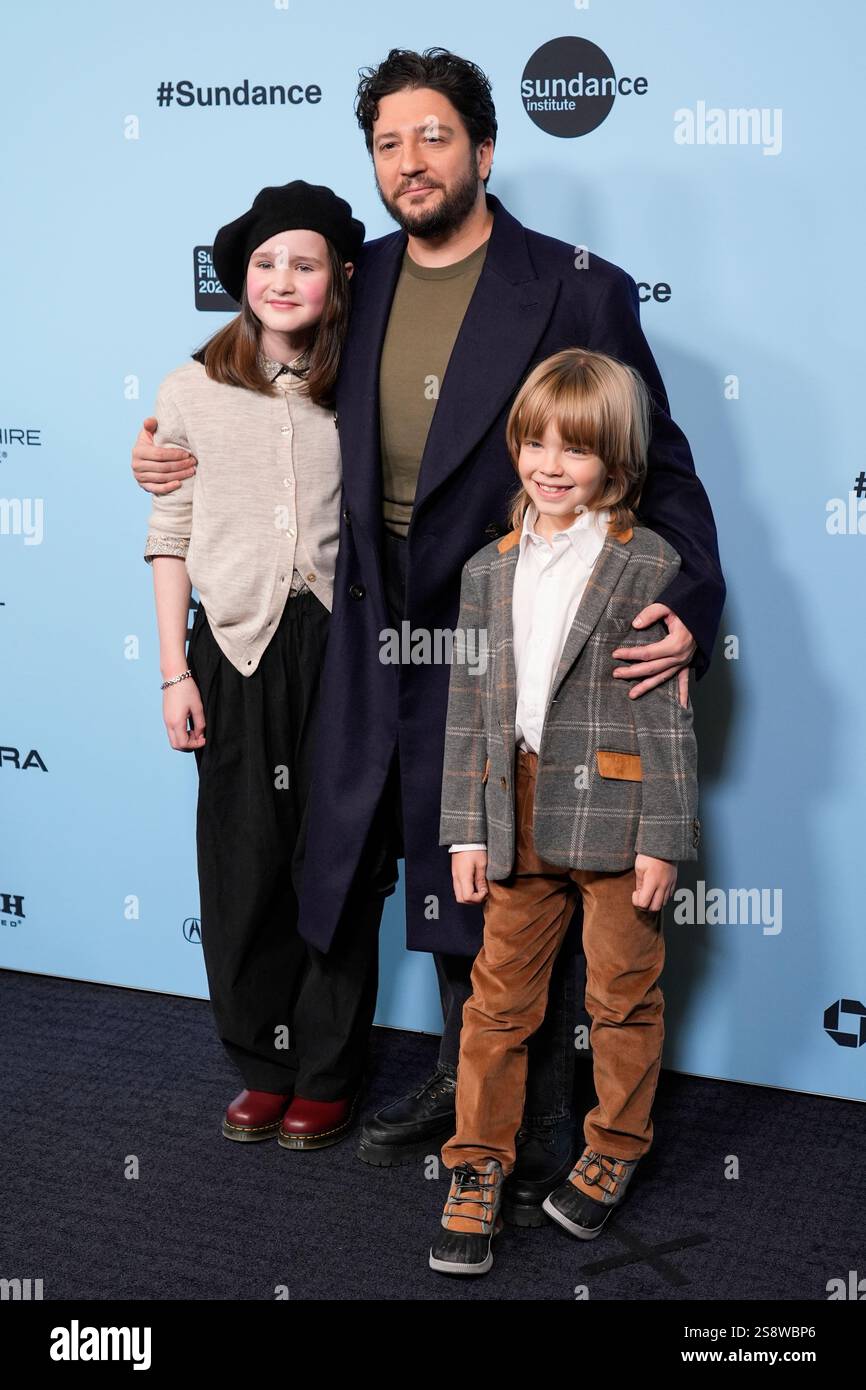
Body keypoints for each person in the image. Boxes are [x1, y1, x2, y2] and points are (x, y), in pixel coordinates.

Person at [132, 49, 725, 1223]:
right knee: (430, 861)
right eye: (388, 145)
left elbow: (657, 463)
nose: (410, 162)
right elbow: (263, 383)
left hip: (508, 629)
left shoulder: (575, 285)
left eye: (434, 137)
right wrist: (162, 453)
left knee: (513, 863)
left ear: (485, 150)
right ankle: (471, 1090)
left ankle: (543, 1109)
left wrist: (693, 607)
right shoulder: (361, 274)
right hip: (364, 632)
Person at [429, 348, 699, 1276]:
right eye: (534, 442)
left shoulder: (652, 564)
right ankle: (476, 1167)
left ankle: (615, 1148)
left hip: (621, 818)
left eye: (575, 451)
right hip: (513, 808)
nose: (550, 464)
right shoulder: (483, 570)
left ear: (615, 466)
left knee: (621, 997)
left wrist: (665, 838)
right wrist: (465, 826)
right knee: (496, 1005)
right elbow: (470, 708)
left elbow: (667, 714)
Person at [142, 180, 378, 1150]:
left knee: (338, 860)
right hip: (231, 648)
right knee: (241, 863)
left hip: (340, 646)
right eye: (266, 262)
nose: (284, 278)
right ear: (241, 278)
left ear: (337, 278)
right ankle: (260, 1058)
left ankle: (325, 1068)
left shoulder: (362, 379)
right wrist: (173, 670)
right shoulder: (189, 385)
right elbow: (169, 529)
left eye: (306, 262)